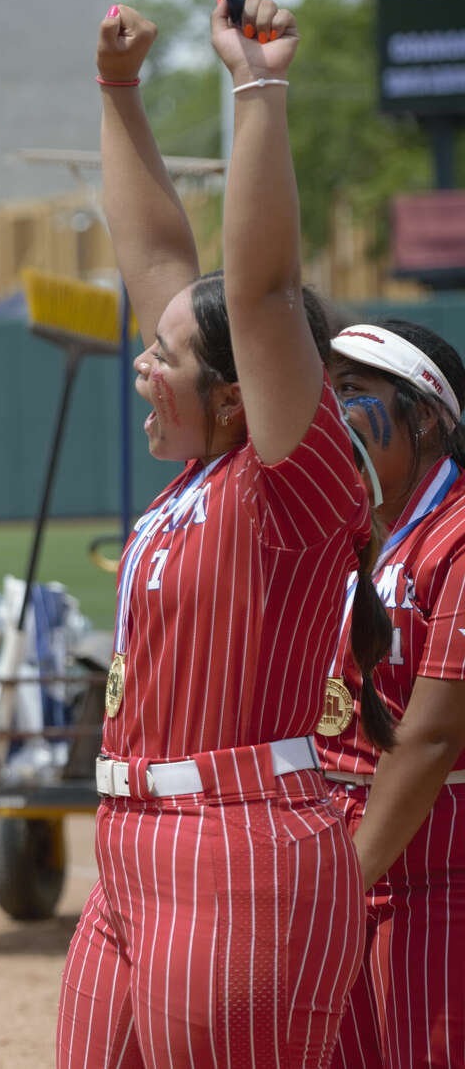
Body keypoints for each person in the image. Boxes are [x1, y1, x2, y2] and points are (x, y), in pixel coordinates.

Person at [55, 0, 393, 1068]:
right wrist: (117, 92)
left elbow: (260, 292)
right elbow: (161, 255)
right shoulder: (210, 460)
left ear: (242, 394)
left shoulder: (284, 478)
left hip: (239, 853)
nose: (142, 370)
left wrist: (257, 86)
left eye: (164, 361)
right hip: (133, 856)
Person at [318, 319, 465, 1069]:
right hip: (353, 862)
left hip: (436, 877)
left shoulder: (459, 535)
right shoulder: (349, 539)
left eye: (353, 392)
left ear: (430, 414)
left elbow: (437, 737)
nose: (330, 412)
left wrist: (341, 885)